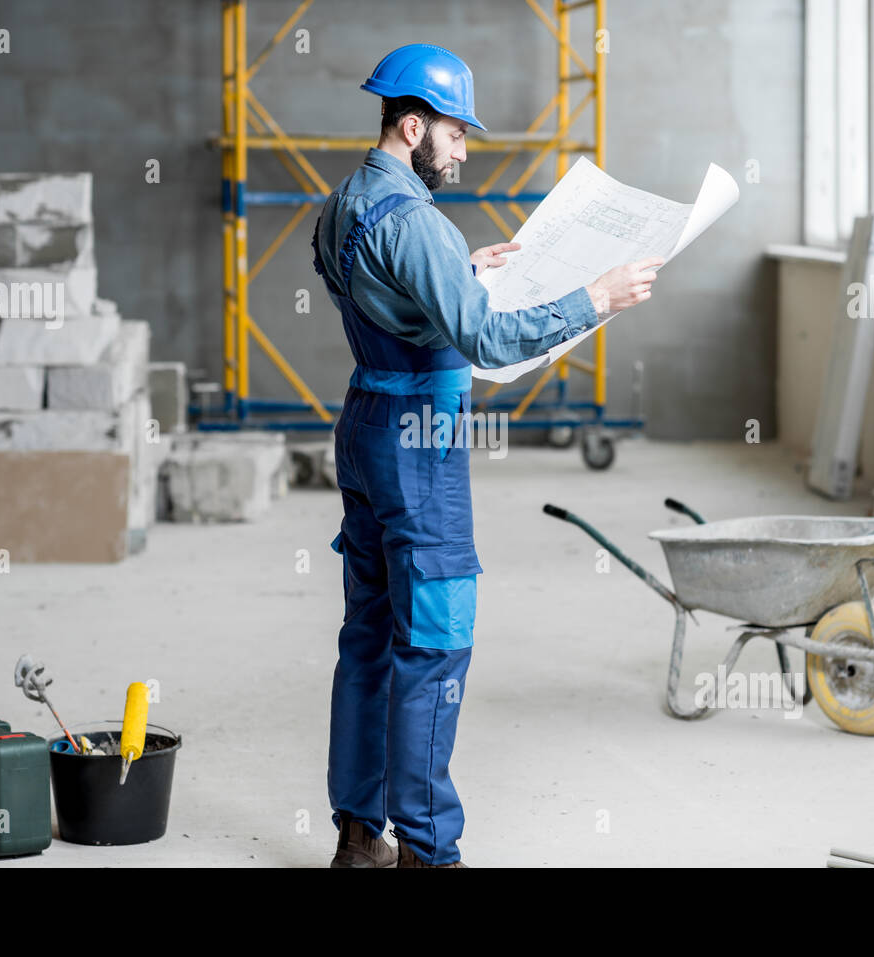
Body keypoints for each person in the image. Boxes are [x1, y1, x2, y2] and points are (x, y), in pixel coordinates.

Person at [312, 42, 660, 868]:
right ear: (412, 124)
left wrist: (457, 271)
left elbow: (385, 296)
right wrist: (593, 298)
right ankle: (429, 852)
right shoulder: (418, 223)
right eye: (457, 135)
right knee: (434, 646)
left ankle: (358, 837)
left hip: (363, 425)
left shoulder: (341, 204)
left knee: (366, 635)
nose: (464, 152)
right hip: (419, 444)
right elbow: (489, 336)